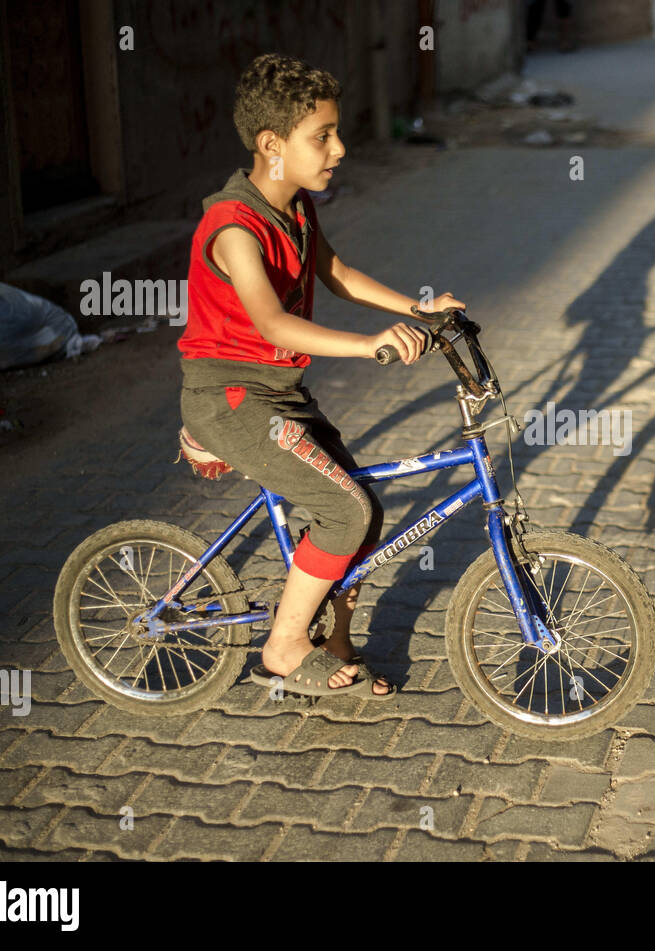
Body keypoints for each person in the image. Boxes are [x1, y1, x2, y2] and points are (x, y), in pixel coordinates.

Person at [176, 53, 463, 697]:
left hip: (276, 393)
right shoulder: (233, 227)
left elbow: (335, 273)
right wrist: (370, 346)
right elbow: (274, 325)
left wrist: (417, 310)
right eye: (322, 136)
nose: (340, 147)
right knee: (341, 508)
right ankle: (282, 648)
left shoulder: (297, 205)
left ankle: (329, 642)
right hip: (231, 399)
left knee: (364, 508)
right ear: (271, 145)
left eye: (335, 132)